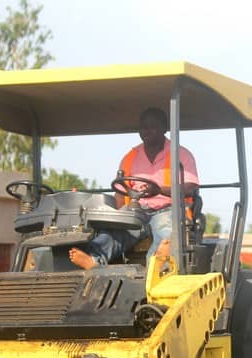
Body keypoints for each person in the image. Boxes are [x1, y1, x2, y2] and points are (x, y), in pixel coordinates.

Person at [69, 107, 199, 270]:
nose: (147, 131)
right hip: (138, 210)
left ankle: (157, 266)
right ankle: (93, 259)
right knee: (114, 232)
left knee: (166, 232)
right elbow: (120, 190)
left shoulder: (181, 154)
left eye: (153, 126)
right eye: (144, 127)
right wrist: (120, 215)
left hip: (168, 209)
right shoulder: (130, 157)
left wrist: (158, 190)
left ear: (164, 128)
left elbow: (190, 188)